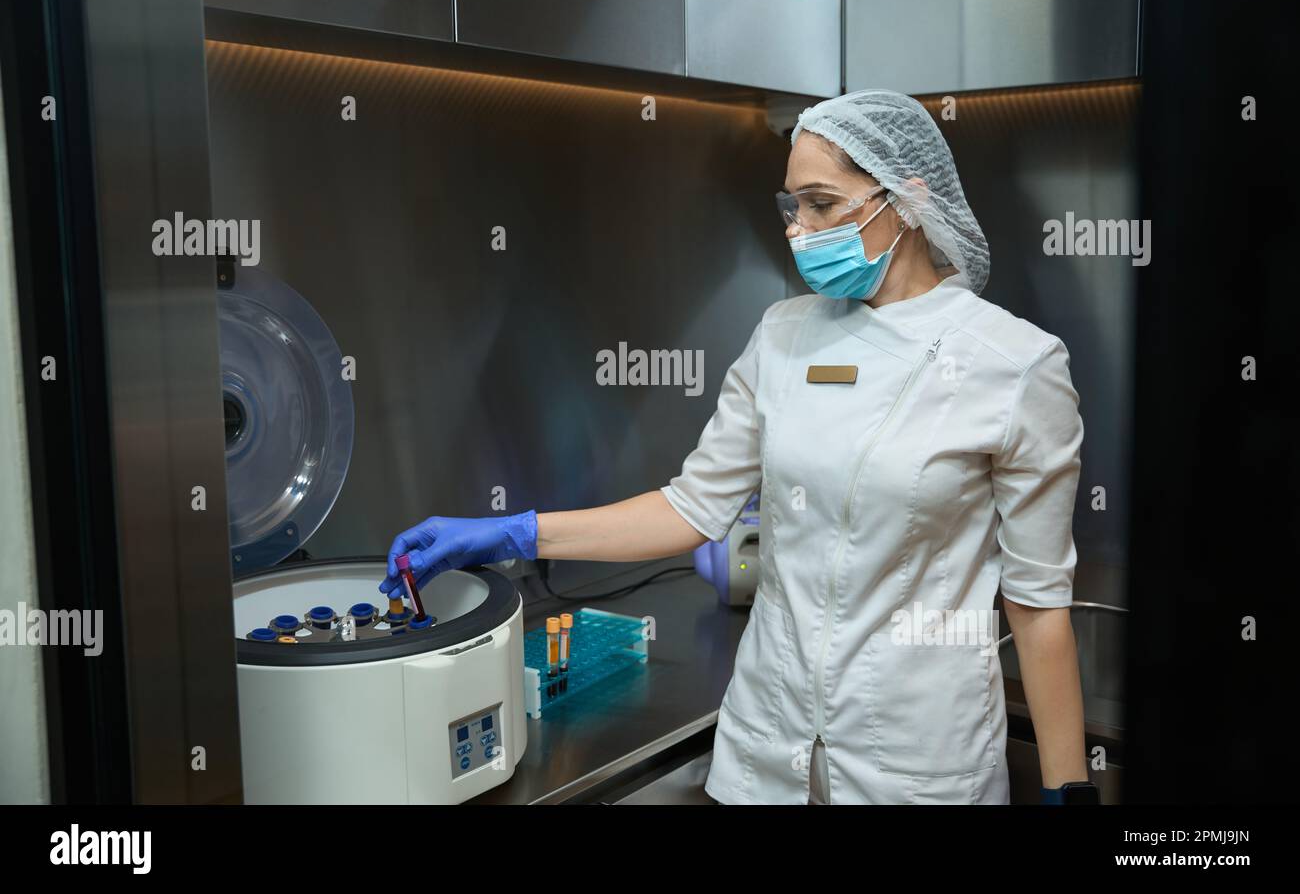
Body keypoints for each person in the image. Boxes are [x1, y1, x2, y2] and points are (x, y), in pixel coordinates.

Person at [380, 90, 1089, 805]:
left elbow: (1037, 603)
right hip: (763, 751)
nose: (798, 231)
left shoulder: (1014, 364)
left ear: (904, 200)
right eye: (792, 207)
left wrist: (1069, 789)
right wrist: (513, 533)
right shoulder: (783, 334)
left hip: (919, 759)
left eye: (822, 204)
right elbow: (691, 509)